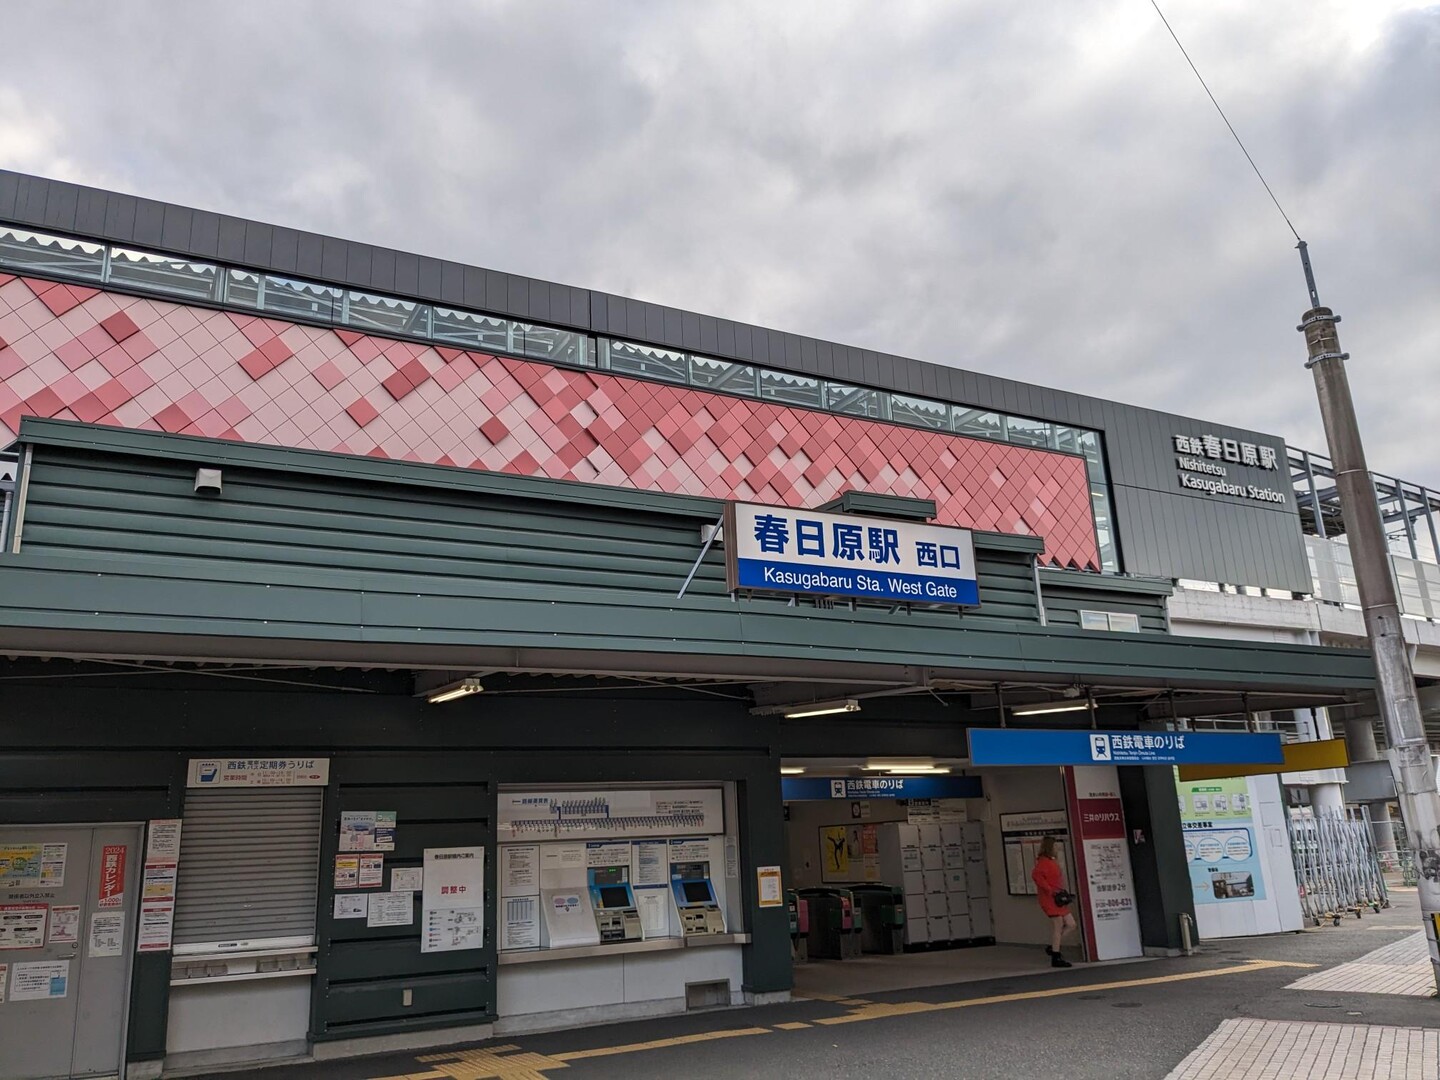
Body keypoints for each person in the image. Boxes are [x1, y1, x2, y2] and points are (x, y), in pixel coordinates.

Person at [1032, 836, 1076, 968]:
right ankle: (1056, 956)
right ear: (1050, 847)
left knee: (1071, 924)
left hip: (1056, 898)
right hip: (1051, 899)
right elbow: (1037, 877)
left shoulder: (1048, 862)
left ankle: (1054, 948)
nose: (1057, 848)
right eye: (1055, 846)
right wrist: (1050, 890)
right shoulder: (1043, 863)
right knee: (1059, 925)